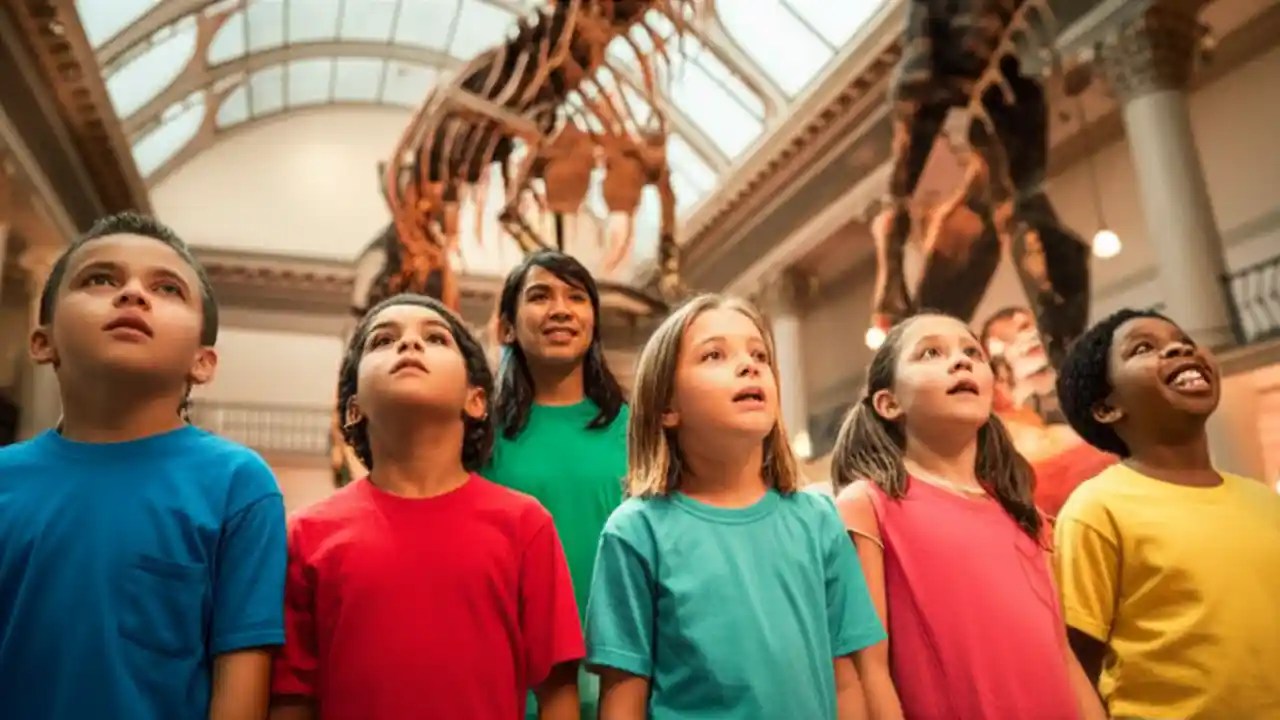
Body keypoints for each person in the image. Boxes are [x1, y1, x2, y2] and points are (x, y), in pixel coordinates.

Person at [0, 211, 287, 719]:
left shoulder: (237, 485)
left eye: (168, 289)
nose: (132, 294)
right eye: (100, 279)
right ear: (43, 340)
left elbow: (239, 683)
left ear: (203, 361)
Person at [270, 293, 583, 720]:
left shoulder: (525, 525)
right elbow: (293, 699)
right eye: (382, 341)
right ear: (353, 408)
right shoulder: (306, 536)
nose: (409, 345)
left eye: (435, 338)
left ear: (475, 399)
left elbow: (558, 690)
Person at [586, 293, 884, 719]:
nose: (750, 365)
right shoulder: (636, 530)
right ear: (667, 407)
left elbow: (846, 680)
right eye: (714, 355)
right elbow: (622, 694)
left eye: (760, 354)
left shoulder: (817, 519)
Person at [831, 313, 1103, 720]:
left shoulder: (1026, 516)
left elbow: (1063, 657)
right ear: (888, 403)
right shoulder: (868, 505)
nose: (961, 362)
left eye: (972, 352)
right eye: (931, 353)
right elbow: (869, 671)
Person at [1053, 308, 1280, 719]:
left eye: (1185, 342)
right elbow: (1074, 662)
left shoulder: (1264, 501)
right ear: (1106, 408)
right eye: (1144, 348)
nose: (1178, 348)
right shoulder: (1097, 509)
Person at [483, 251, 629, 719]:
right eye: (540, 296)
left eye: (577, 297)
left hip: (624, 686)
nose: (561, 309)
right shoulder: (478, 438)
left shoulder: (639, 430)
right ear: (506, 327)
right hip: (513, 689)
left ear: (593, 322)